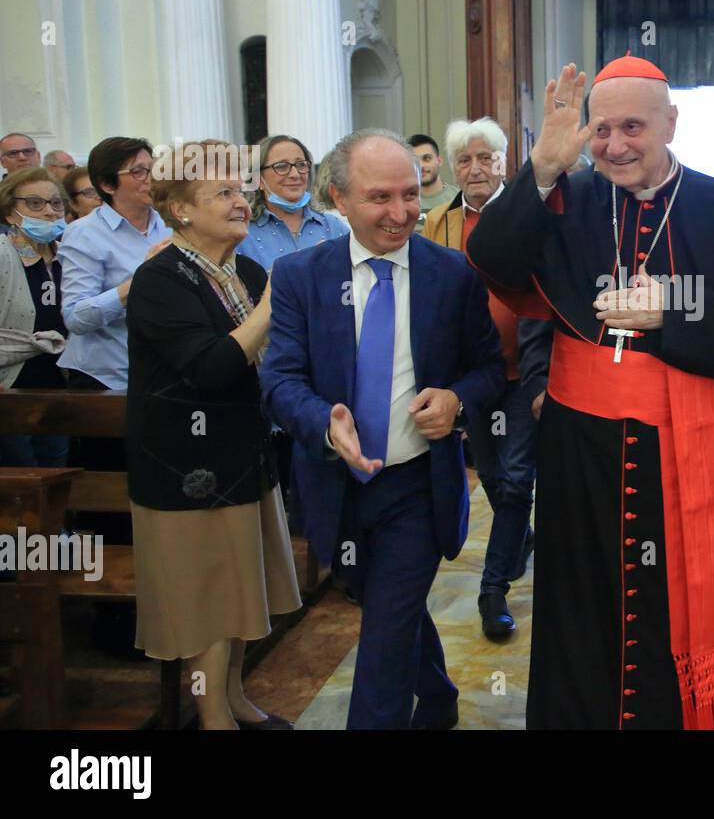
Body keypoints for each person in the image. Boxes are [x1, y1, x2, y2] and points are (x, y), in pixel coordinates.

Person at [467, 59, 714, 730]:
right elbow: (492, 257)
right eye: (601, 129)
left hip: (683, 440)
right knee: (583, 605)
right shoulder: (570, 198)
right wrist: (542, 168)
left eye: (633, 126)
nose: (614, 145)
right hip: (579, 448)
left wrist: (674, 307)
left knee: (680, 597)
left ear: (671, 123)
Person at [262, 128, 504, 729]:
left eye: (410, 194)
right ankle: (440, 694)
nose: (400, 214)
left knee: (382, 637)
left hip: (417, 487)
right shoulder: (299, 277)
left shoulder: (452, 276)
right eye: (379, 198)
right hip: (336, 486)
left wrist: (456, 398)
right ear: (339, 199)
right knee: (386, 605)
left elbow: (488, 369)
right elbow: (279, 381)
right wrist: (324, 422)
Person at [125, 139, 301, 730]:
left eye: (240, 190)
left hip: (245, 452)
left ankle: (235, 699)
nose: (240, 202)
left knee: (240, 591)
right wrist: (274, 307)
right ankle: (211, 716)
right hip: (185, 469)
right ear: (181, 209)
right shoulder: (160, 278)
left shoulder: (242, 269)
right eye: (223, 193)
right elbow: (207, 367)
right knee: (204, 600)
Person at [420, 117, 539, 639]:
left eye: (486, 158)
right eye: (465, 160)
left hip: (525, 372)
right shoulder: (437, 223)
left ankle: (493, 590)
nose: (475, 169)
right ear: (453, 168)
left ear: (503, 162)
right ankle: (521, 537)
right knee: (491, 475)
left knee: (515, 477)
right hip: (473, 376)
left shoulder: (528, 215)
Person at [58, 137, 172, 397]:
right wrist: (140, 282)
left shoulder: (168, 224)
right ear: (107, 184)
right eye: (138, 171)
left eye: (153, 169)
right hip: (106, 375)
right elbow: (76, 317)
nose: (150, 178)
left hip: (162, 371)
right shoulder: (85, 233)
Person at [0, 168, 70, 467]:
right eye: (35, 203)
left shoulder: (65, 255)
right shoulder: (3, 253)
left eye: (56, 203)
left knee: (58, 471)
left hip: (56, 379)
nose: (49, 212)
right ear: (10, 211)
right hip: (10, 381)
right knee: (22, 475)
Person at [236, 135, 349, 273]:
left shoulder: (333, 227)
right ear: (258, 179)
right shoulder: (243, 234)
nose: (295, 174)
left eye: (301, 165)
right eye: (281, 166)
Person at [409, 133, 456, 218]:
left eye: (427, 158)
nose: (421, 166)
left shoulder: (458, 199)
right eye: (415, 161)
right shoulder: (404, 201)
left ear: (439, 161)